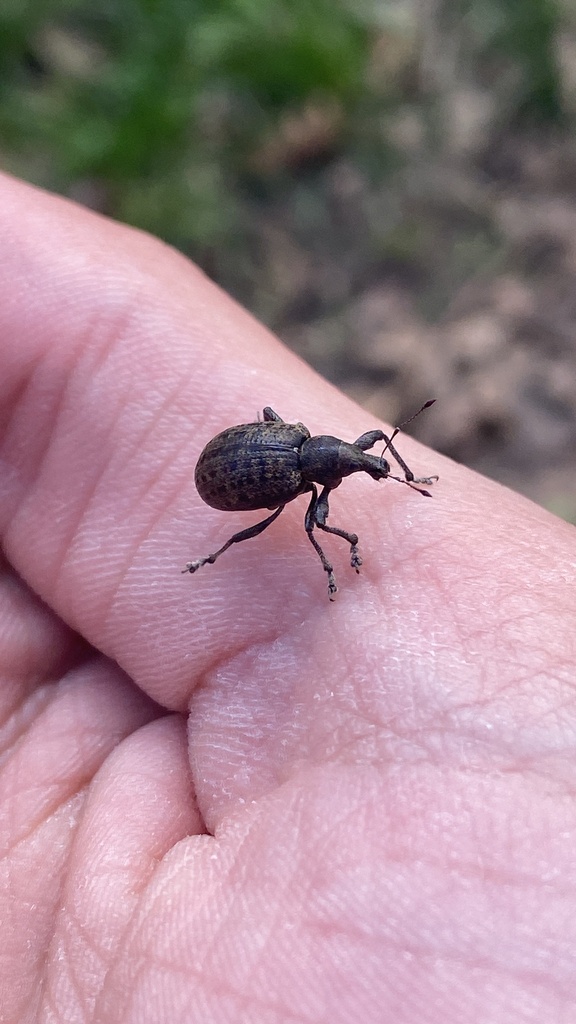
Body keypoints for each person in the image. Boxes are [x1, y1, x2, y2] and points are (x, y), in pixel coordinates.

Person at [1, 171, 574, 1024]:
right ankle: (212, 558)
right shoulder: (299, 481)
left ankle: (230, 555)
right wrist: (343, 558)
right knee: (291, 534)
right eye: (364, 463)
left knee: (321, 508)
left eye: (370, 462)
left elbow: (370, 448)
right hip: (236, 474)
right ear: (324, 465)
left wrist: (398, 473)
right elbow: (314, 528)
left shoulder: (327, 454)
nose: (366, 463)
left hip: (261, 455)